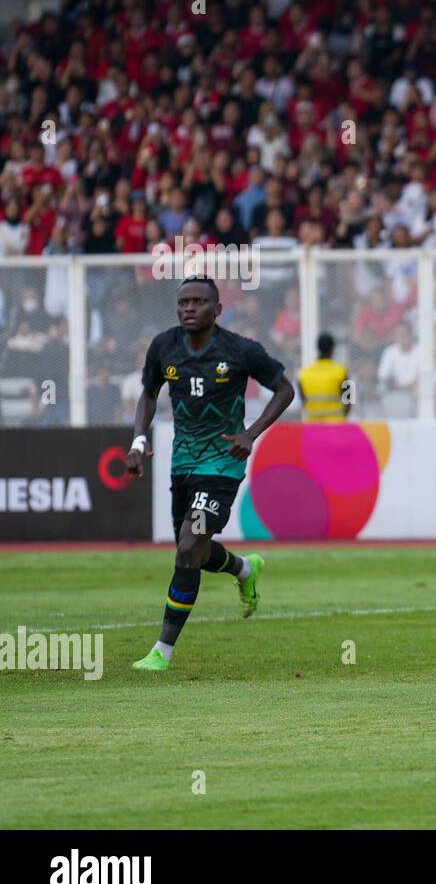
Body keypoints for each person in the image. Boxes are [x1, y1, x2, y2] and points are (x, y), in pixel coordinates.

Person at [126, 277, 294, 671]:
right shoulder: (163, 346)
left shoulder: (240, 350)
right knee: (195, 553)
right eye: (183, 301)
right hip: (182, 464)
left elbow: (285, 390)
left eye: (199, 302)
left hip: (221, 466)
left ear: (217, 310)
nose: (189, 308)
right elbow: (149, 394)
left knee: (188, 547)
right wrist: (137, 441)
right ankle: (245, 569)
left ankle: (161, 652)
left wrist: (250, 434)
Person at [298, 332, 350, 422]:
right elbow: (349, 401)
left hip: (312, 426)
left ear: (317, 348)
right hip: (335, 425)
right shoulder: (341, 371)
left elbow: (303, 400)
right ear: (333, 349)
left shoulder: (304, 373)